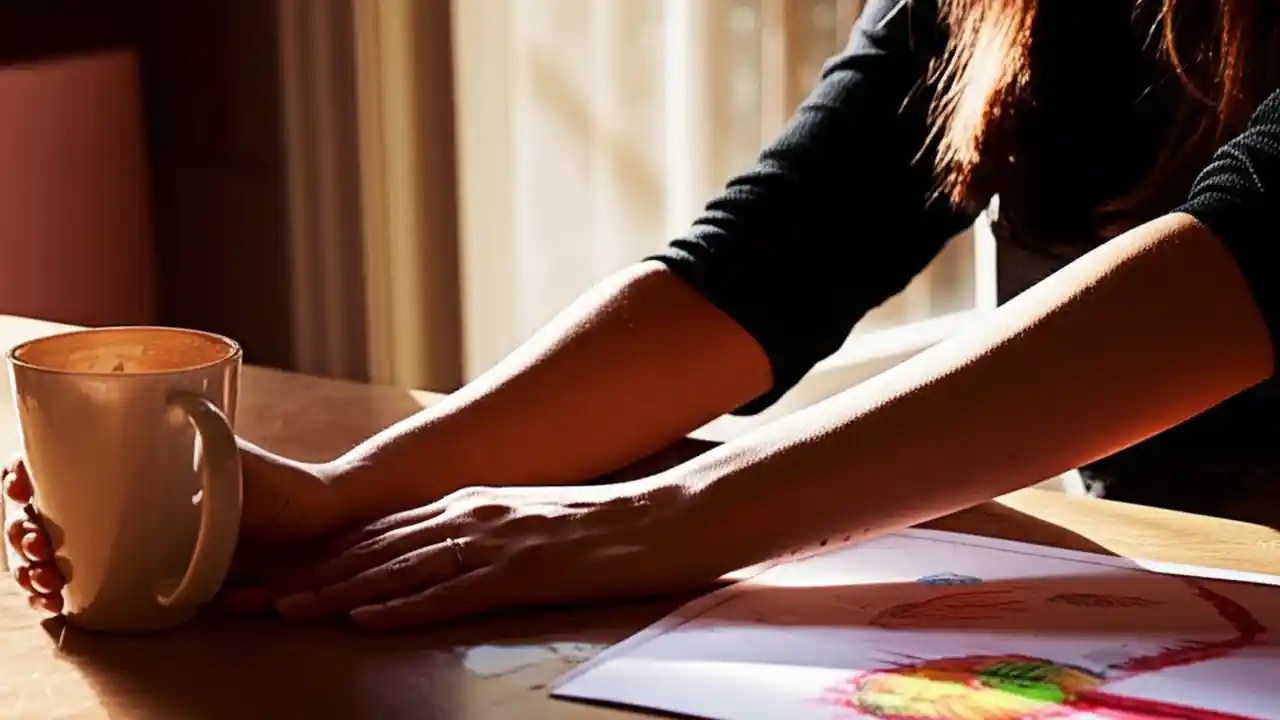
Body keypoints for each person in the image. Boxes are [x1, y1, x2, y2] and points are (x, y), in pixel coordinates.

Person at [7, 0, 1280, 629]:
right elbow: (765, 262)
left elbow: (1227, 277)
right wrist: (350, 491)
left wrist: (651, 522)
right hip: (1149, 606)